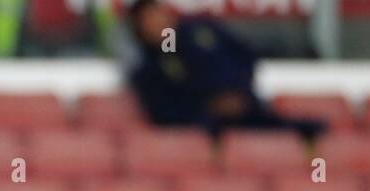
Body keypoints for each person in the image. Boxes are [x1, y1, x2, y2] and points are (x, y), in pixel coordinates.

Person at [125, 0, 326, 142]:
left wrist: (238, 92)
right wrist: (212, 110)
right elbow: (166, 117)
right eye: (148, 19)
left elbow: (245, 55)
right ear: (139, 28)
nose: (157, 22)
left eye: (157, 13)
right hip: (205, 133)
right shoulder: (148, 69)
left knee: (309, 131)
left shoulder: (202, 30)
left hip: (249, 112)